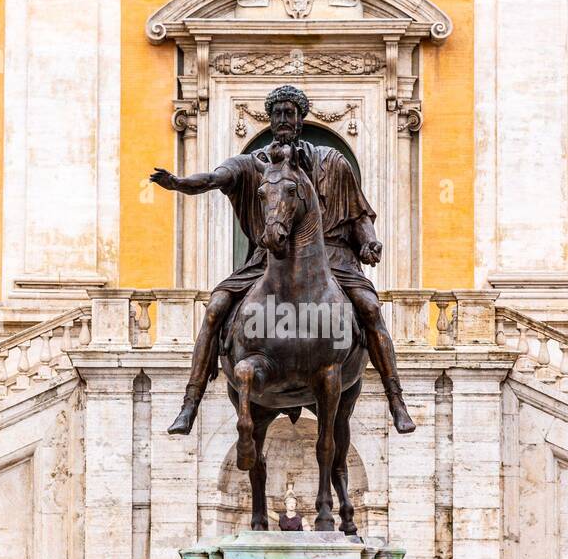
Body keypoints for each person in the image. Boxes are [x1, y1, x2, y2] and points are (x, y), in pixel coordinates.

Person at [150, 84, 416, 436]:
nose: (283, 120)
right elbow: (216, 178)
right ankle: (190, 403)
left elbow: (359, 215)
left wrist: (369, 243)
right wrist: (182, 183)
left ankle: (396, 399)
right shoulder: (253, 166)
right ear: (269, 118)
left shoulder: (333, 163)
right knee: (215, 308)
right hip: (267, 260)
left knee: (368, 308)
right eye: (277, 114)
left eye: (290, 113)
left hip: (333, 259)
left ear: (300, 118)